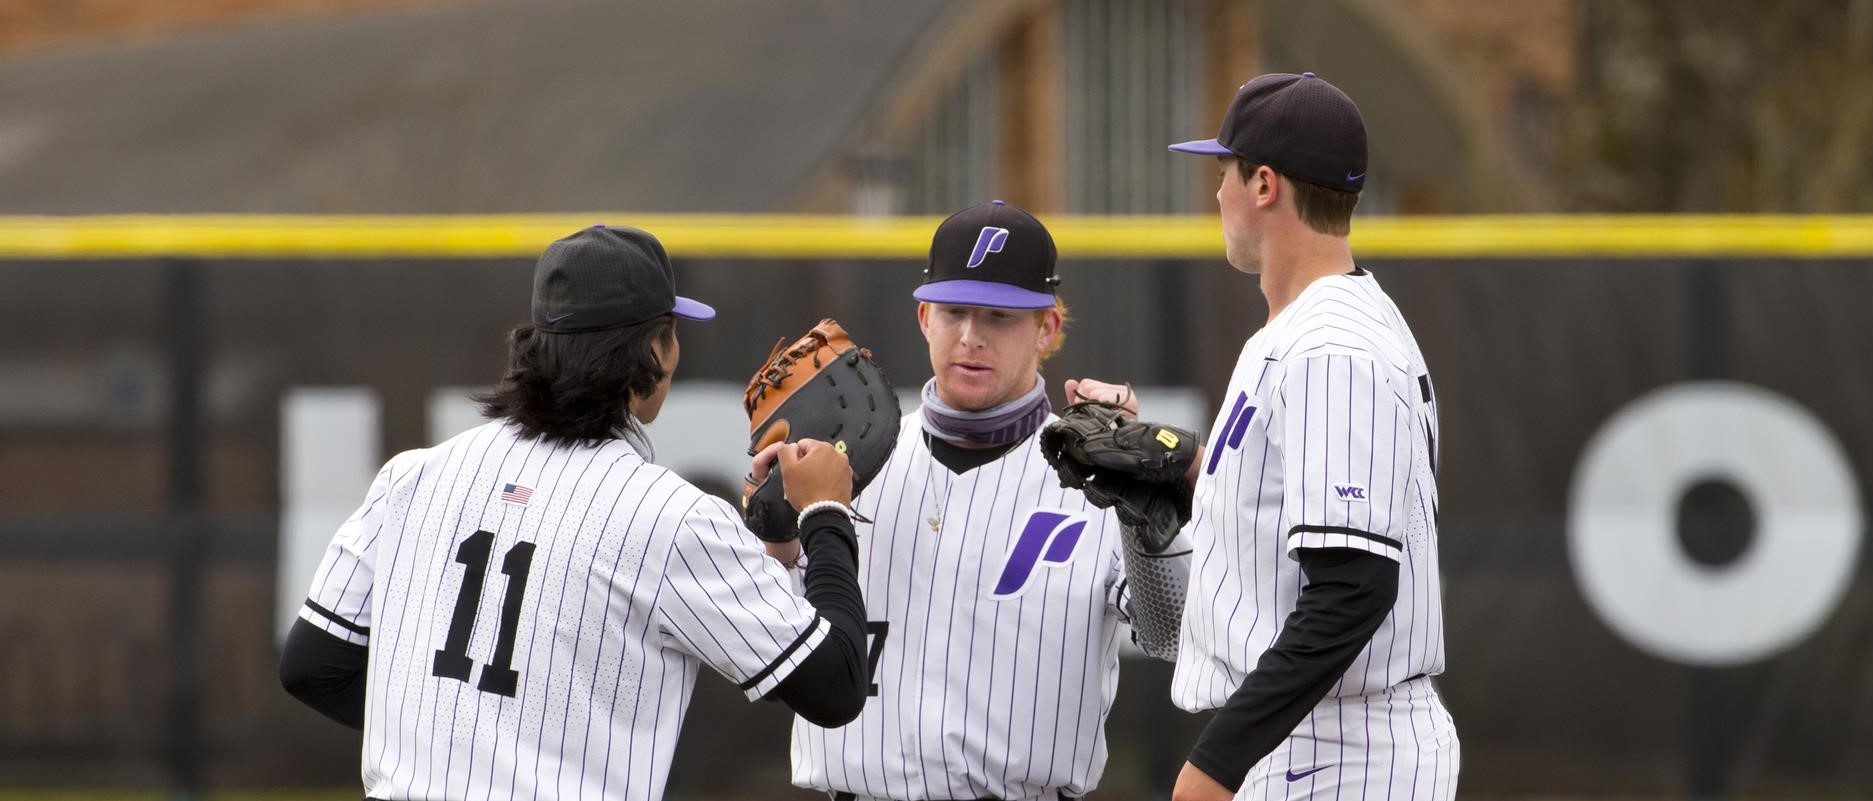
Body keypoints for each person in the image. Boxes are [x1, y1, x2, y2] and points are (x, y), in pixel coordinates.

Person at [277, 224, 871, 801]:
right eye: (672, 331)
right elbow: (837, 685)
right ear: (654, 351)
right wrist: (824, 511)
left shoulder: (412, 476)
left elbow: (311, 666)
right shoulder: (669, 516)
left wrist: (464, 740)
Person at [753, 200, 1190, 801]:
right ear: (924, 316)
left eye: (999, 315)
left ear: (1047, 328)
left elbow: (1170, 637)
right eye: (955, 310)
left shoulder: (1102, 476)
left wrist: (1142, 511)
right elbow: (770, 646)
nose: (971, 336)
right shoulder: (839, 467)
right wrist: (776, 546)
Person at [1148, 72, 1458, 800]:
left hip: (1337, 747)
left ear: (1263, 184)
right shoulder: (1313, 328)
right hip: (1313, 740)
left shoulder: (1331, 346)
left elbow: (1353, 588)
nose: (1216, 192)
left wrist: (1214, 766)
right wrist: (1181, 468)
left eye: (1223, 171)